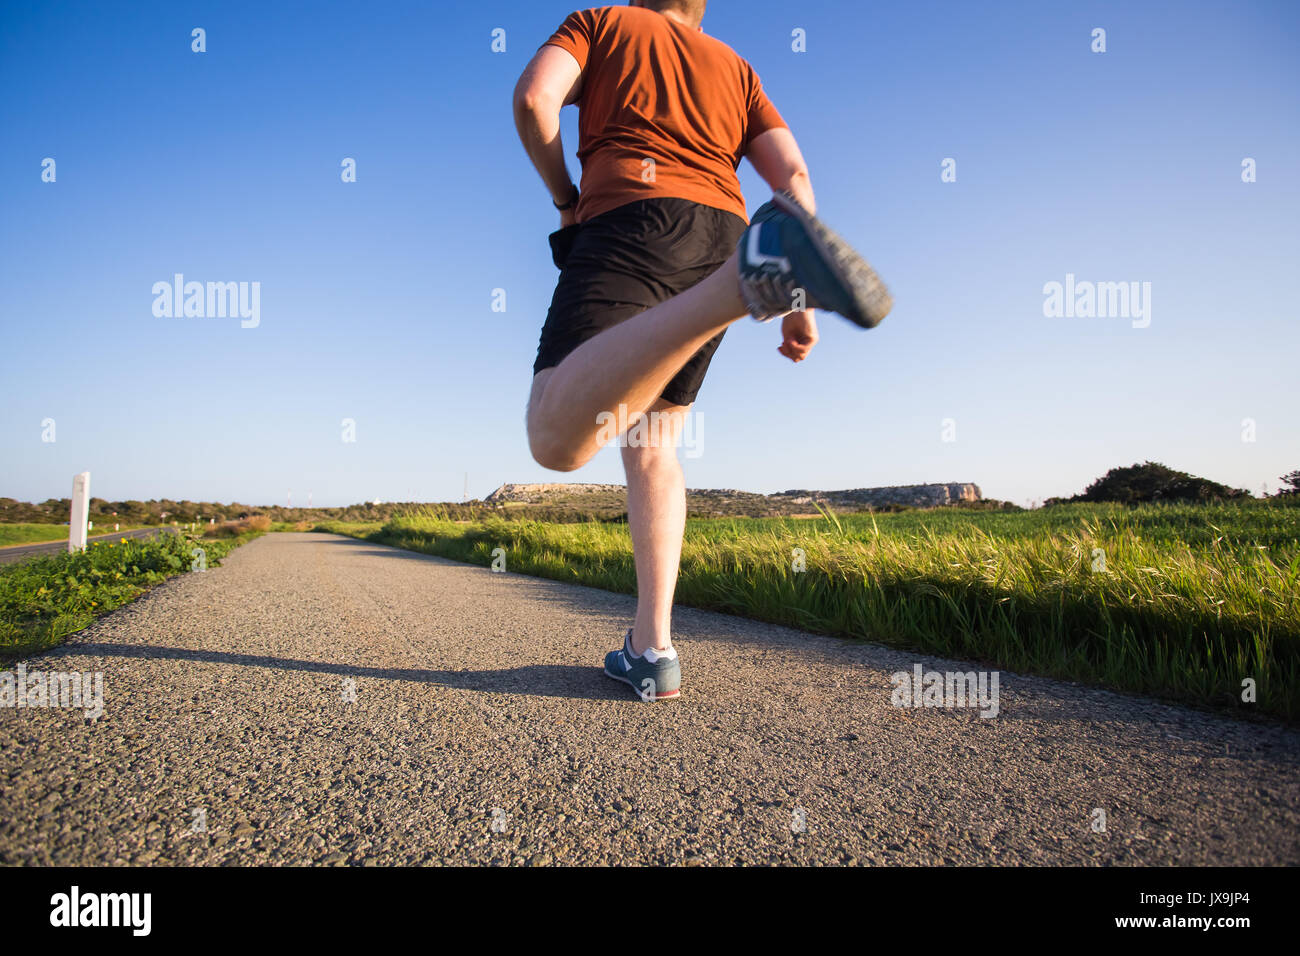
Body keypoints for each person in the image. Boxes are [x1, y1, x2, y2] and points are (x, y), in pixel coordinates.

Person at [513, 0, 890, 701]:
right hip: (721, 226)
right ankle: (651, 651)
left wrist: (566, 196)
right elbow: (794, 179)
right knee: (654, 441)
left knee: (554, 438)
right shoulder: (736, 67)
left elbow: (537, 98)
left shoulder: (602, 22)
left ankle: (741, 285)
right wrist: (800, 301)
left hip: (630, 217)